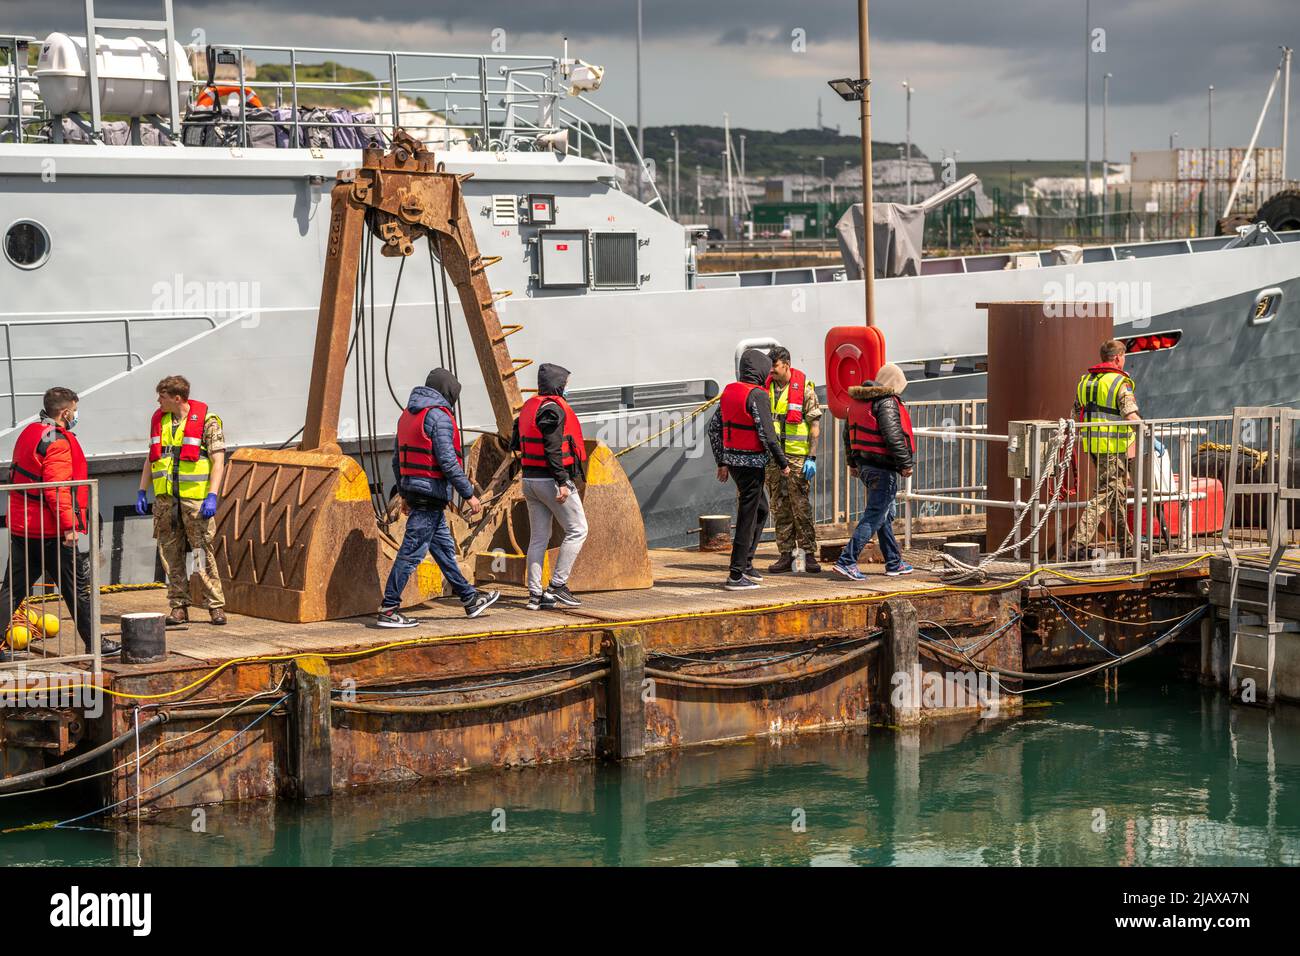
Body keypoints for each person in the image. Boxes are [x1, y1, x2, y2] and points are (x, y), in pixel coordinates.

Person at [1, 388, 120, 656]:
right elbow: (57, 488)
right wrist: (69, 527)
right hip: (50, 530)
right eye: (75, 410)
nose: (76, 415)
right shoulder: (57, 441)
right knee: (77, 589)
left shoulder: (29, 432)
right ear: (65, 412)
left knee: (13, 590)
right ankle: (95, 644)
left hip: (24, 526)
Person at [377, 368, 499, 626]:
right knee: (411, 554)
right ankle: (389, 609)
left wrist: (405, 493)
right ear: (448, 392)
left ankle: (469, 599)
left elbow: (397, 460)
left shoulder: (408, 416)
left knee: (444, 551)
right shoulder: (439, 417)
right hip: (431, 495)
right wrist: (469, 495)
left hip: (416, 491)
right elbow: (447, 462)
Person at [135, 375, 227, 626]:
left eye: (162, 397)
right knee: (170, 554)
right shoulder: (161, 421)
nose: (158, 401)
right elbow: (151, 458)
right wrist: (143, 490)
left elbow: (218, 460)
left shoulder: (207, 422)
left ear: (177, 398)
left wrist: (212, 494)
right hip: (165, 502)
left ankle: (215, 606)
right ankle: (178, 606)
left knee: (200, 554)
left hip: (194, 502)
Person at [707, 348, 789, 590]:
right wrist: (783, 463)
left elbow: (713, 429)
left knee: (761, 510)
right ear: (761, 371)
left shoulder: (729, 392)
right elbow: (768, 435)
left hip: (733, 464)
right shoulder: (757, 395)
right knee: (748, 515)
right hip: (752, 465)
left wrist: (722, 461)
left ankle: (746, 563)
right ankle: (735, 574)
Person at [510, 363, 589, 611]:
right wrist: (562, 481)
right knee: (578, 530)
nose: (566, 388)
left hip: (529, 481)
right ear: (557, 385)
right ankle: (557, 586)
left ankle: (535, 595)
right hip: (549, 481)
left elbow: (515, 442)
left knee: (538, 538)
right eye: (565, 384)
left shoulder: (528, 408)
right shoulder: (552, 409)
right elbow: (553, 449)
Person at [833, 363, 915, 581]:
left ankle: (894, 562)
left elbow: (847, 437)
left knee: (884, 516)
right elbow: (893, 435)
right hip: (883, 468)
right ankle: (847, 561)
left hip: (865, 466)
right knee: (875, 515)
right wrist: (905, 463)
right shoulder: (886, 402)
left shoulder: (859, 401)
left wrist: (852, 464)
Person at [1069, 338, 1141, 561]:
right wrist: (1147, 430)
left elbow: (1074, 414)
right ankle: (1078, 544)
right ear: (1118, 357)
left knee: (1115, 495)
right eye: (1124, 358)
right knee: (1103, 495)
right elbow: (1130, 415)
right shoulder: (1120, 383)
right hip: (1112, 447)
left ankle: (1127, 546)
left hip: (1092, 445)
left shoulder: (1086, 381)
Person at [764, 346, 823, 574]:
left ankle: (808, 555)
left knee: (801, 507)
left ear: (786, 365)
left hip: (797, 458)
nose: (772, 371)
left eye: (775, 366)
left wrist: (812, 457)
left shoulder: (805, 390)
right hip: (773, 459)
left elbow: (814, 426)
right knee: (779, 507)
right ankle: (785, 554)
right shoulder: (767, 388)